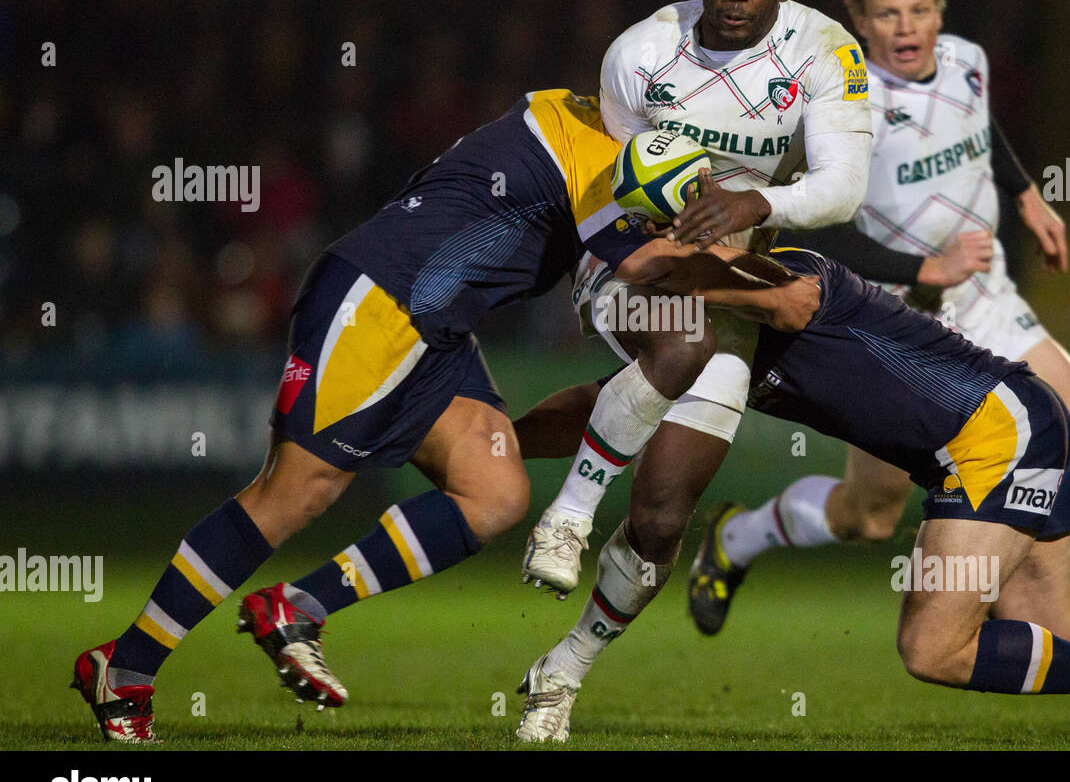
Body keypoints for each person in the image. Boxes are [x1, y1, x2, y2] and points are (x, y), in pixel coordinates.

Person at [70, 89, 810, 742]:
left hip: (436, 328)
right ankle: (125, 667)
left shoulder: (575, 126)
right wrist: (767, 292)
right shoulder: (592, 152)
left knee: (493, 494)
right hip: (380, 299)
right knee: (295, 491)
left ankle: (298, 606)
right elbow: (644, 266)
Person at [520, 245, 1070, 747]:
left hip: (990, 437)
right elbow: (610, 404)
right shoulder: (700, 349)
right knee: (1048, 627)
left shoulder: (769, 275)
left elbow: (795, 299)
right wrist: (505, 439)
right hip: (1018, 421)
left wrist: (682, 270)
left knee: (933, 648)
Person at [688, 0, 1070, 640]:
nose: (905, 26)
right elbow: (815, 228)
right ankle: (740, 538)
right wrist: (923, 270)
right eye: (887, 14)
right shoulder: (844, 107)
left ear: (938, 15)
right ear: (860, 22)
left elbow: (980, 125)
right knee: (871, 514)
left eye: (917, 10)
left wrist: (1028, 195)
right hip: (901, 332)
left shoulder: (970, 63)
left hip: (994, 311)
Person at [512, 0, 874, 736]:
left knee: (663, 517)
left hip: (731, 280)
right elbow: (612, 188)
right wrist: (658, 243)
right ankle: (565, 516)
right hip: (631, 262)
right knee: (678, 338)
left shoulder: (824, 53)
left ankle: (561, 671)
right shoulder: (641, 53)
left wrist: (757, 202)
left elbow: (843, 188)